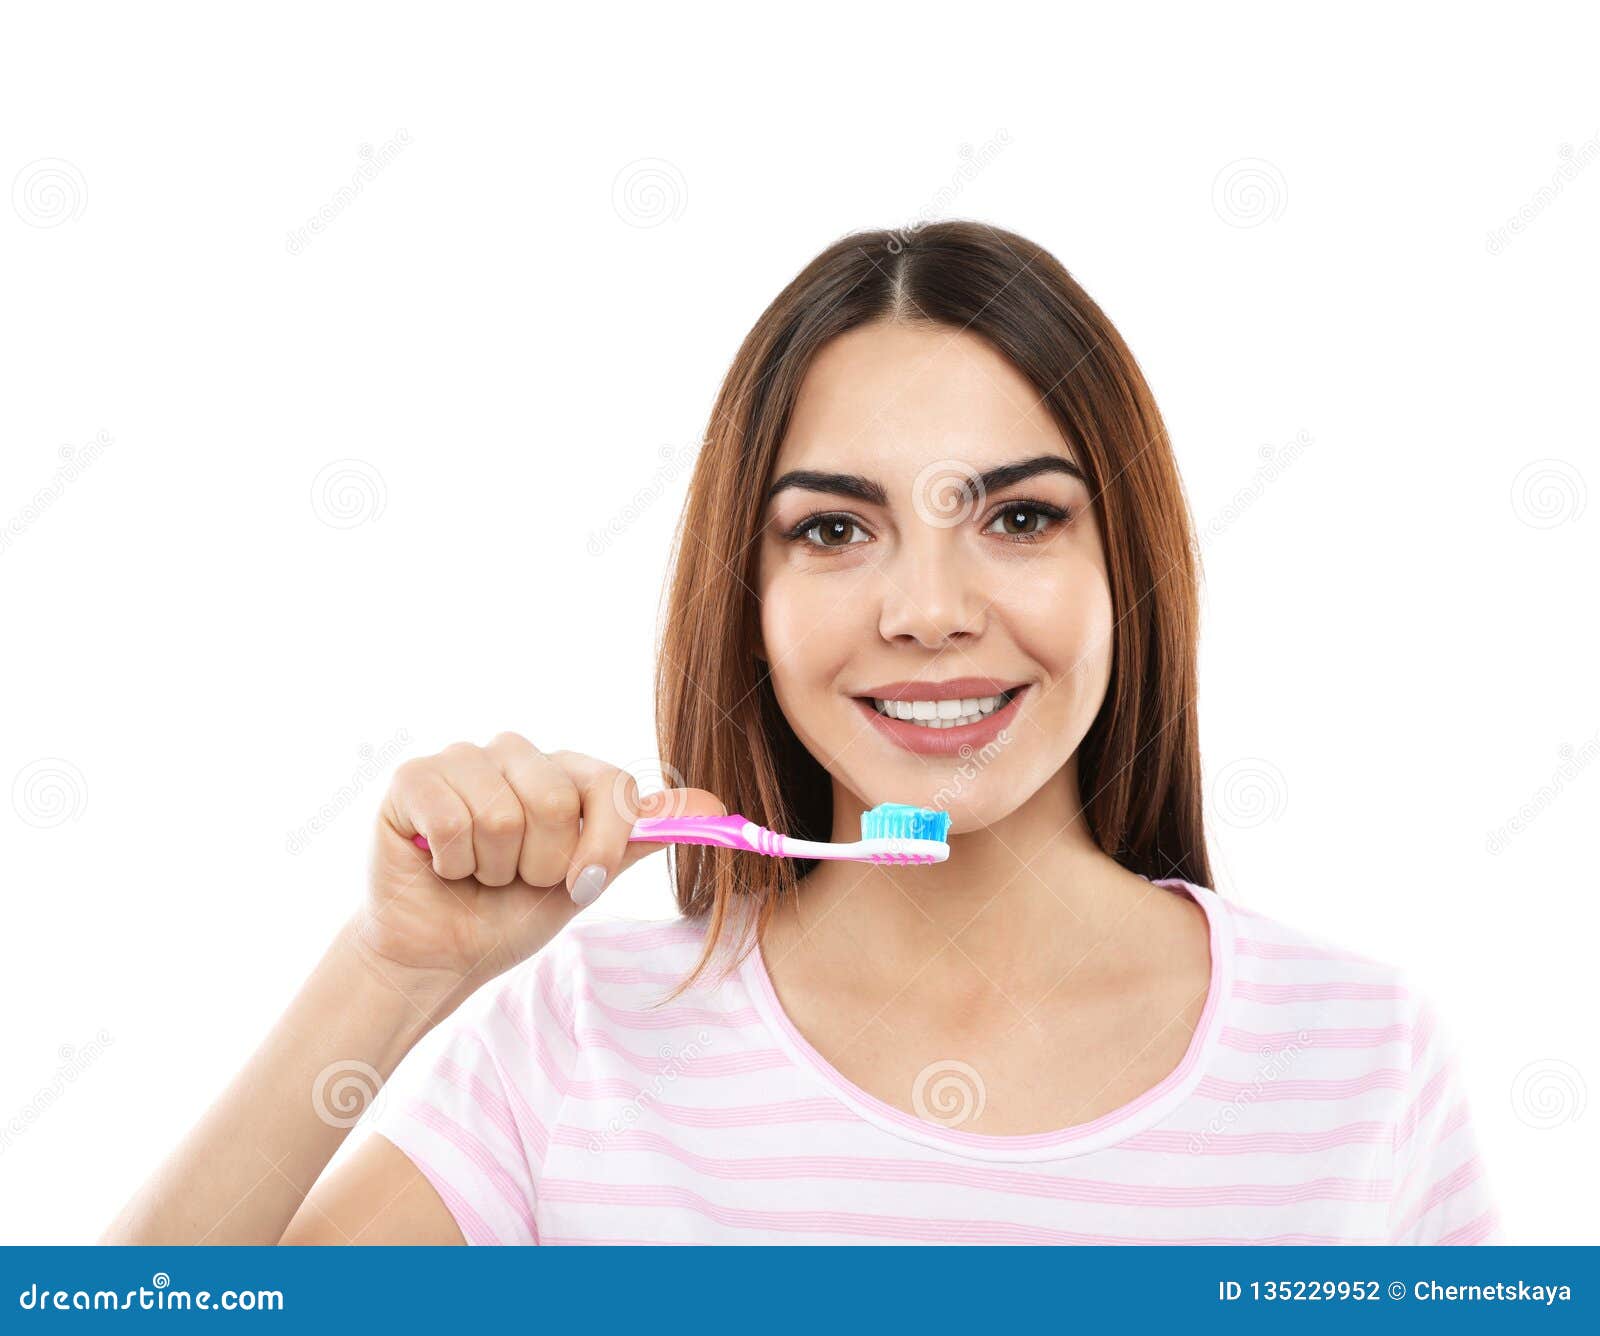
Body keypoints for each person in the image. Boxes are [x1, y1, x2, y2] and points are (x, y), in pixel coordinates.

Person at [104, 221, 1502, 1245]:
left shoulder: (1362, 1057)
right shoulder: (581, 1052)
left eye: (1019, 518)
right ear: (752, 598)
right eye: (836, 530)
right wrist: (391, 973)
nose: (929, 609)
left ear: (1124, 568)